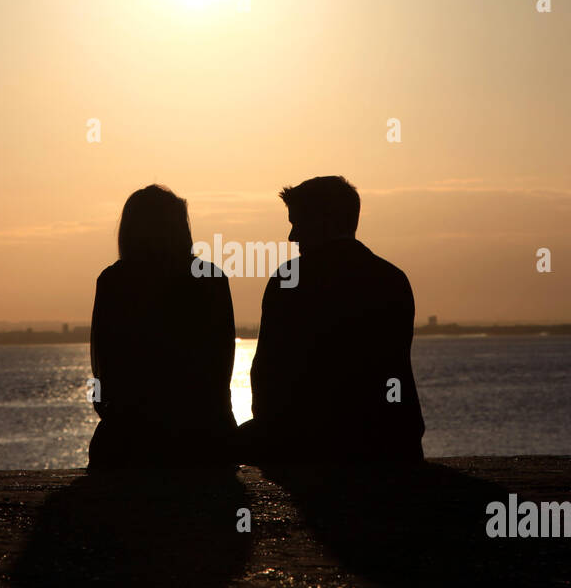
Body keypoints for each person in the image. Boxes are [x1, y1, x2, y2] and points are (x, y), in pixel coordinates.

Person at [242, 175, 424, 463]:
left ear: (321, 221)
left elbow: (267, 371)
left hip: (313, 443)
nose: (292, 237)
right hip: (390, 437)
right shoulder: (392, 278)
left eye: (296, 223)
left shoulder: (290, 280)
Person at [86, 185, 237, 470]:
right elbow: (221, 365)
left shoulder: (114, 281)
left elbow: (104, 370)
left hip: (131, 440)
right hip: (206, 438)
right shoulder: (211, 277)